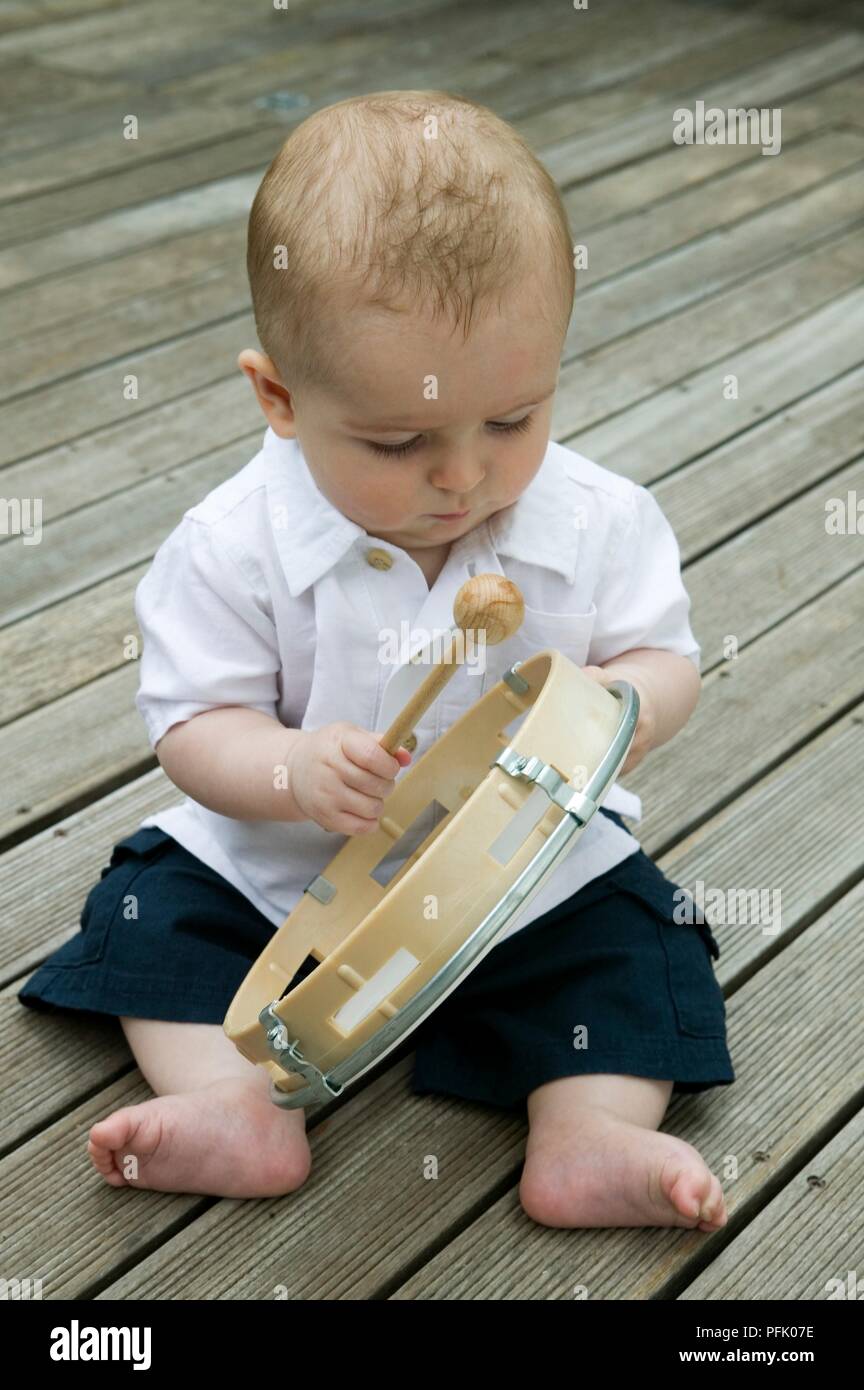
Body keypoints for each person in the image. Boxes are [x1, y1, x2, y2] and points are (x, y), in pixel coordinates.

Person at [18, 91, 733, 1227]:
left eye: (514, 419)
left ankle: (591, 1128)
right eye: (400, 442)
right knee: (150, 916)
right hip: (283, 881)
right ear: (280, 398)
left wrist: (621, 703)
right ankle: (238, 1101)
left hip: (517, 877)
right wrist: (291, 770)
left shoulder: (597, 519)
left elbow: (665, 655)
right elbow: (194, 724)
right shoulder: (231, 543)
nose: (465, 477)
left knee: (636, 944)